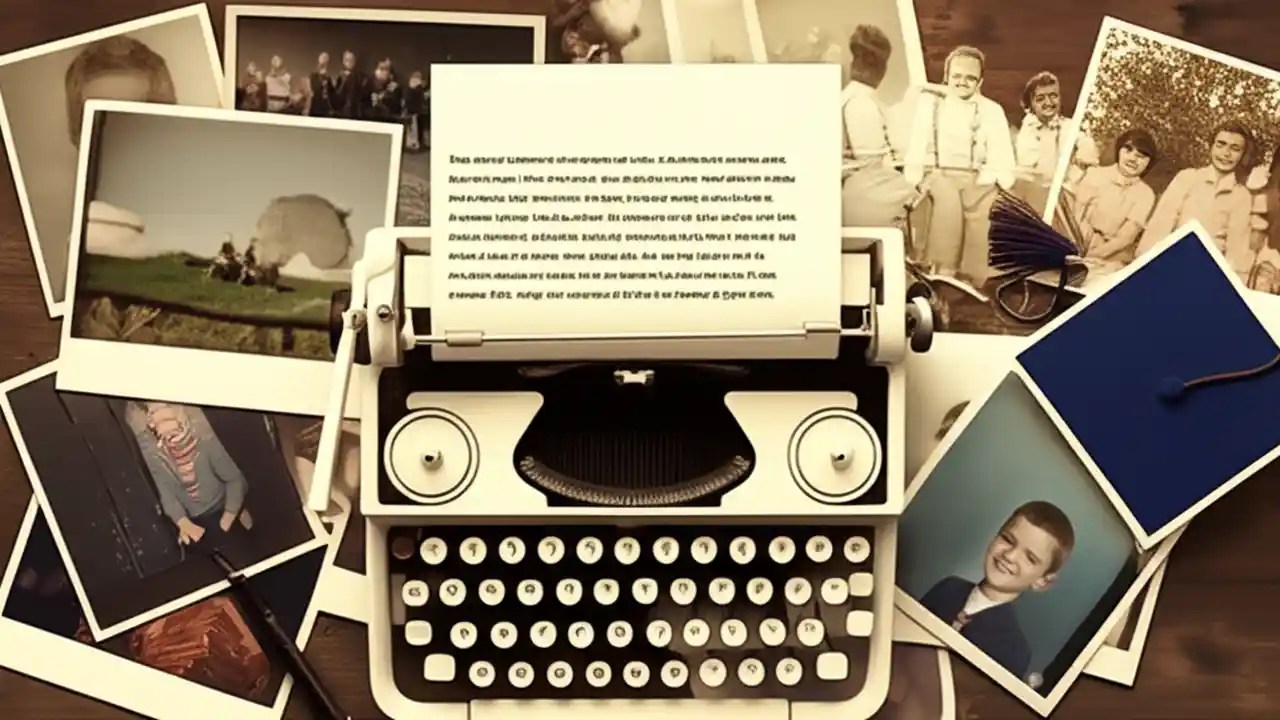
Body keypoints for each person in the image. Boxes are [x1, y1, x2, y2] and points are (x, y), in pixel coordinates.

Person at [920, 500, 1075, 680]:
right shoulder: (948, 588)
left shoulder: (1014, 650)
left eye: (1030, 558)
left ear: (1042, 581)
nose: (1009, 555)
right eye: (1007, 539)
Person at [905, 46, 1016, 287]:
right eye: (956, 76)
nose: (962, 82)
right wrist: (916, 180)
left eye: (970, 78)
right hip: (936, 175)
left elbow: (1003, 160)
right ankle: (942, 275)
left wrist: (983, 183)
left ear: (980, 81)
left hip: (977, 180)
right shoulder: (930, 105)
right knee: (947, 205)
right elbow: (915, 150)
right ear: (947, 76)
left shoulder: (992, 110)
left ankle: (973, 283)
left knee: (983, 209)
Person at [126, 403, 254, 557]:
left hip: (224, 511)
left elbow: (235, 480)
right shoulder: (154, 452)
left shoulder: (202, 437)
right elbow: (165, 492)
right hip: (196, 523)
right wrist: (183, 523)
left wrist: (226, 521)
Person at [1137, 119, 1256, 280]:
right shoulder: (1187, 178)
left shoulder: (1241, 196)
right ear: (1211, 146)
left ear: (1242, 155)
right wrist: (1144, 269)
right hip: (1170, 263)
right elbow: (1160, 226)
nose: (1226, 154)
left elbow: (1237, 253)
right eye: (1221, 145)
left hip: (1208, 274)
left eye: (1235, 149)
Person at [839, 25, 918, 228]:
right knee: (928, 197)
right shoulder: (860, 102)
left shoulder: (851, 97)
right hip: (863, 189)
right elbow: (871, 162)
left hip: (859, 184)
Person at [1068, 128, 1159, 274]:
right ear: (1118, 151)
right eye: (1128, 150)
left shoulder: (1145, 194)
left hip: (1110, 260)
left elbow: (1125, 239)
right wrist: (1076, 249)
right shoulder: (1094, 174)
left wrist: (1092, 256)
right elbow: (1074, 214)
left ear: (1149, 163)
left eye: (1141, 156)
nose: (1133, 159)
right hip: (1075, 244)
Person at [1013, 71, 1071, 210]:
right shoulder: (1025, 132)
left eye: (1053, 96)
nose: (1048, 103)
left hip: (1064, 196)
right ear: (1031, 104)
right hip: (1032, 196)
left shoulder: (1070, 127)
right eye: (1040, 99)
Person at [333, 50, 365, 119]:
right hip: (342, 110)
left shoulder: (360, 77)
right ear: (344, 62)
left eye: (352, 60)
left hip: (356, 111)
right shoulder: (339, 76)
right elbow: (337, 94)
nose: (350, 62)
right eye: (347, 60)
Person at [305, 52, 334, 117]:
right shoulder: (314, 75)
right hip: (315, 105)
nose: (325, 60)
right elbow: (314, 88)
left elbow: (331, 91)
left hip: (325, 107)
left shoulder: (328, 77)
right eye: (323, 58)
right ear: (319, 60)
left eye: (326, 59)